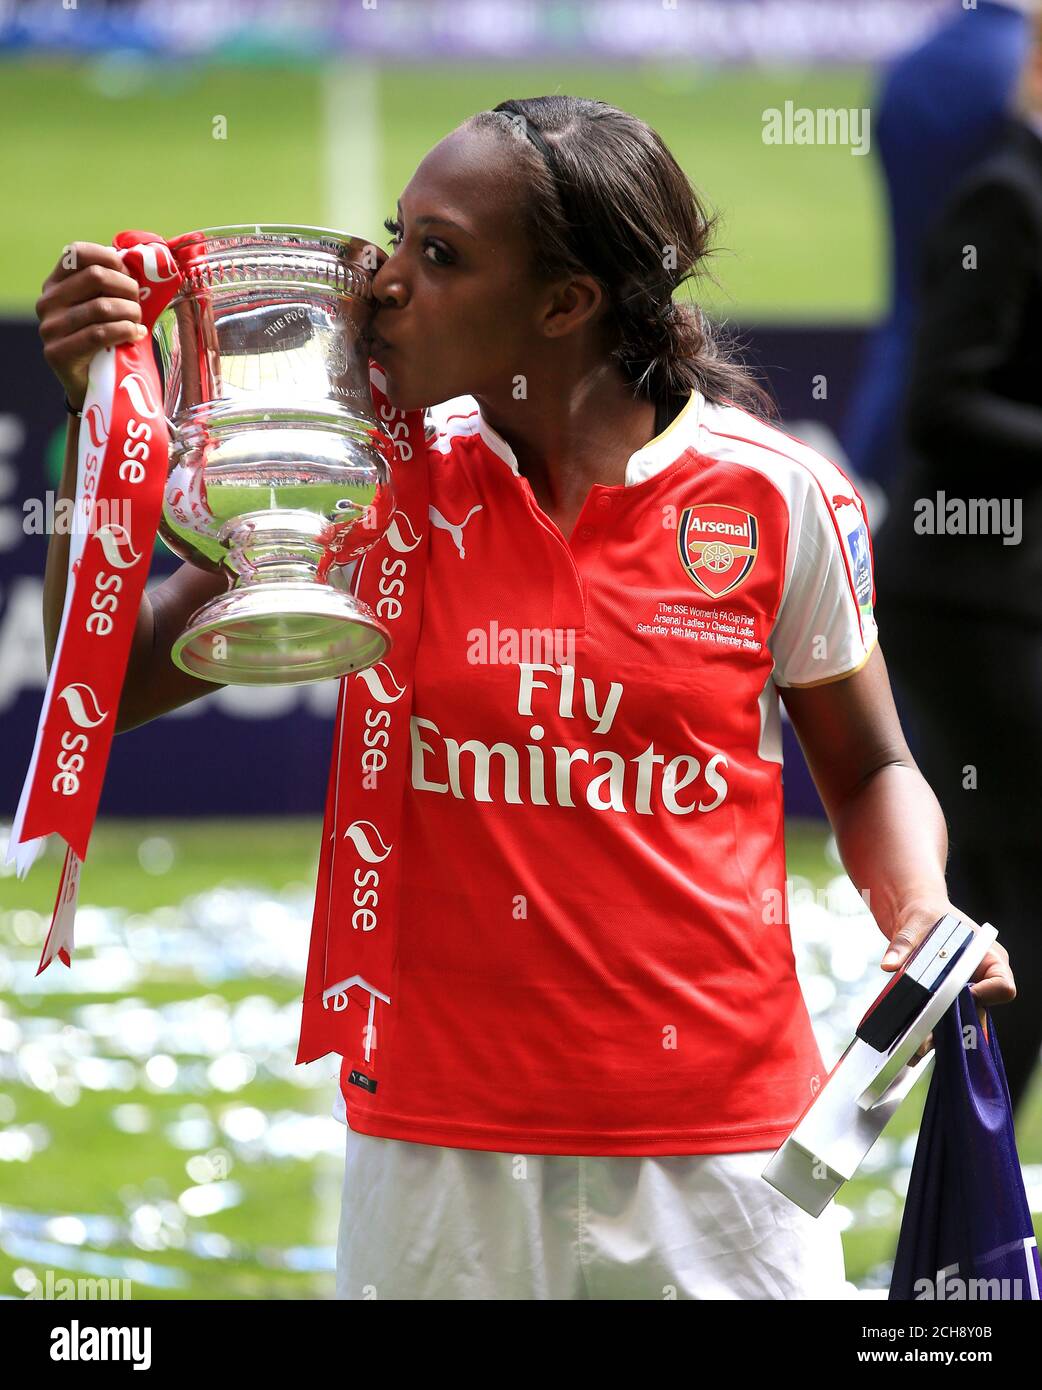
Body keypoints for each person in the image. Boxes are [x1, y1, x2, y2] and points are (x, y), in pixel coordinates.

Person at [35, 95, 1015, 1301]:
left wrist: (916, 909)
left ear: (565, 305)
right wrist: (100, 421)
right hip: (435, 1152)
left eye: (437, 255)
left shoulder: (774, 498)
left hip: (720, 1164)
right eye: (396, 237)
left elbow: (869, 767)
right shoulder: (372, 482)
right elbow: (110, 683)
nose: (380, 283)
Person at [874, 16, 1042, 1119]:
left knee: (989, 901)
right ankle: (953, 1183)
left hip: (998, 599)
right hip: (970, 600)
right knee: (1020, 891)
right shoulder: (1007, 192)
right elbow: (940, 401)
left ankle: (882, 1143)